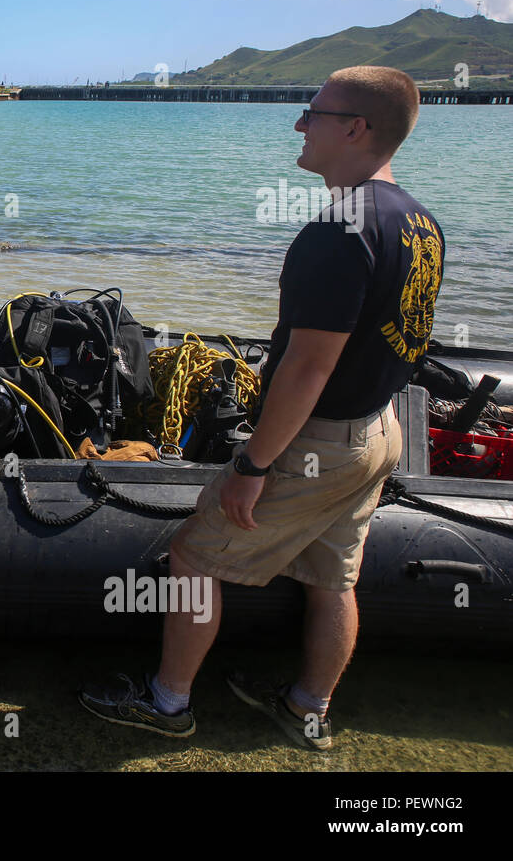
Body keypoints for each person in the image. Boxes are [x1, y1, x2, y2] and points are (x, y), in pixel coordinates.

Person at [80, 66, 444, 749]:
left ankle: (167, 704)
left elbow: (310, 366)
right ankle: (308, 708)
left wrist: (253, 463)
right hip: (379, 428)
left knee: (193, 557)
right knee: (333, 575)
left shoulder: (341, 228)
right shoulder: (419, 221)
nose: (299, 124)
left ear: (355, 128)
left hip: (321, 440)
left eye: (312, 111)